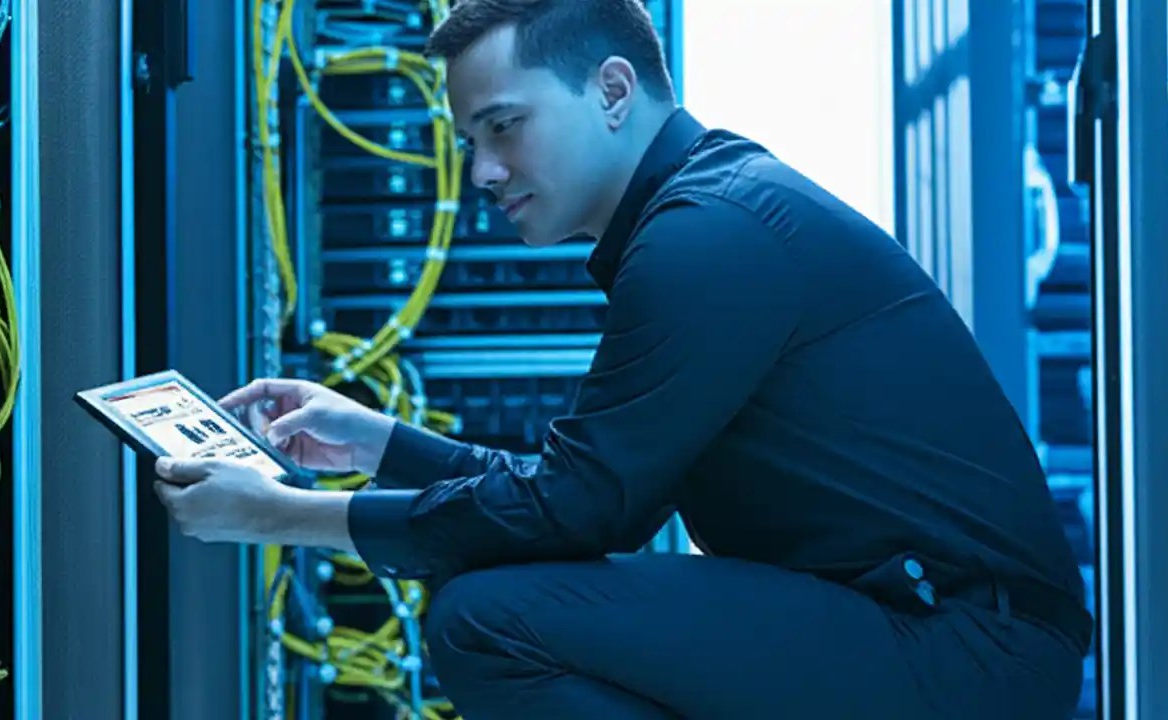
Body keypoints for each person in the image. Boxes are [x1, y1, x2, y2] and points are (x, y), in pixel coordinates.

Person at [153, 1, 1092, 717]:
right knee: (498, 601)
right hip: (933, 632)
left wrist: (283, 518)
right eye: (470, 141)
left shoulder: (709, 238)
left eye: (504, 126)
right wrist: (377, 440)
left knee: (488, 618)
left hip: (967, 652)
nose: (482, 172)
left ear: (610, 90)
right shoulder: (702, 212)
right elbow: (585, 494)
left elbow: (578, 509)